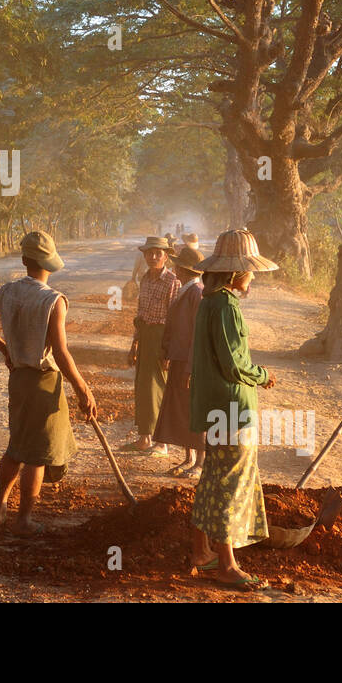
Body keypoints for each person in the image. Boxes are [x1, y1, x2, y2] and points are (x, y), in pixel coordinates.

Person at [0, 230, 97, 535]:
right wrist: (83, 388)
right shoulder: (53, 300)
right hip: (43, 382)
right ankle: (24, 519)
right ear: (50, 264)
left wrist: (5, 349)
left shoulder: (9, 291)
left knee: (16, 446)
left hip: (19, 379)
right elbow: (62, 353)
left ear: (25, 260)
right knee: (37, 455)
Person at [188, 228, 279, 590]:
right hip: (232, 410)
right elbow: (233, 363)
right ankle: (227, 564)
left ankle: (201, 550)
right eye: (250, 271)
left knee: (213, 477)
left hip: (216, 408)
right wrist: (263, 375)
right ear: (236, 273)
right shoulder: (225, 305)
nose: (253, 277)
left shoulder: (209, 301)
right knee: (231, 483)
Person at [153, 240, 207, 477]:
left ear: (186, 271)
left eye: (178, 268)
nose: (175, 270)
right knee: (181, 411)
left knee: (195, 413)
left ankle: (200, 463)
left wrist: (190, 368)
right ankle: (189, 458)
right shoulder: (185, 291)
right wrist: (167, 352)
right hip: (178, 360)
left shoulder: (196, 293)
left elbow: (198, 335)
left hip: (189, 363)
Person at [123, 236, 181, 456]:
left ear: (166, 256)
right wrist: (134, 344)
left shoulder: (173, 281)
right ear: (144, 256)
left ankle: (162, 442)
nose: (153, 257)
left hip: (162, 338)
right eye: (149, 253)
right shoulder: (145, 279)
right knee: (143, 388)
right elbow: (141, 314)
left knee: (158, 388)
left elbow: (174, 319)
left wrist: (169, 349)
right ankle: (144, 437)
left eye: (158, 253)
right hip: (145, 336)